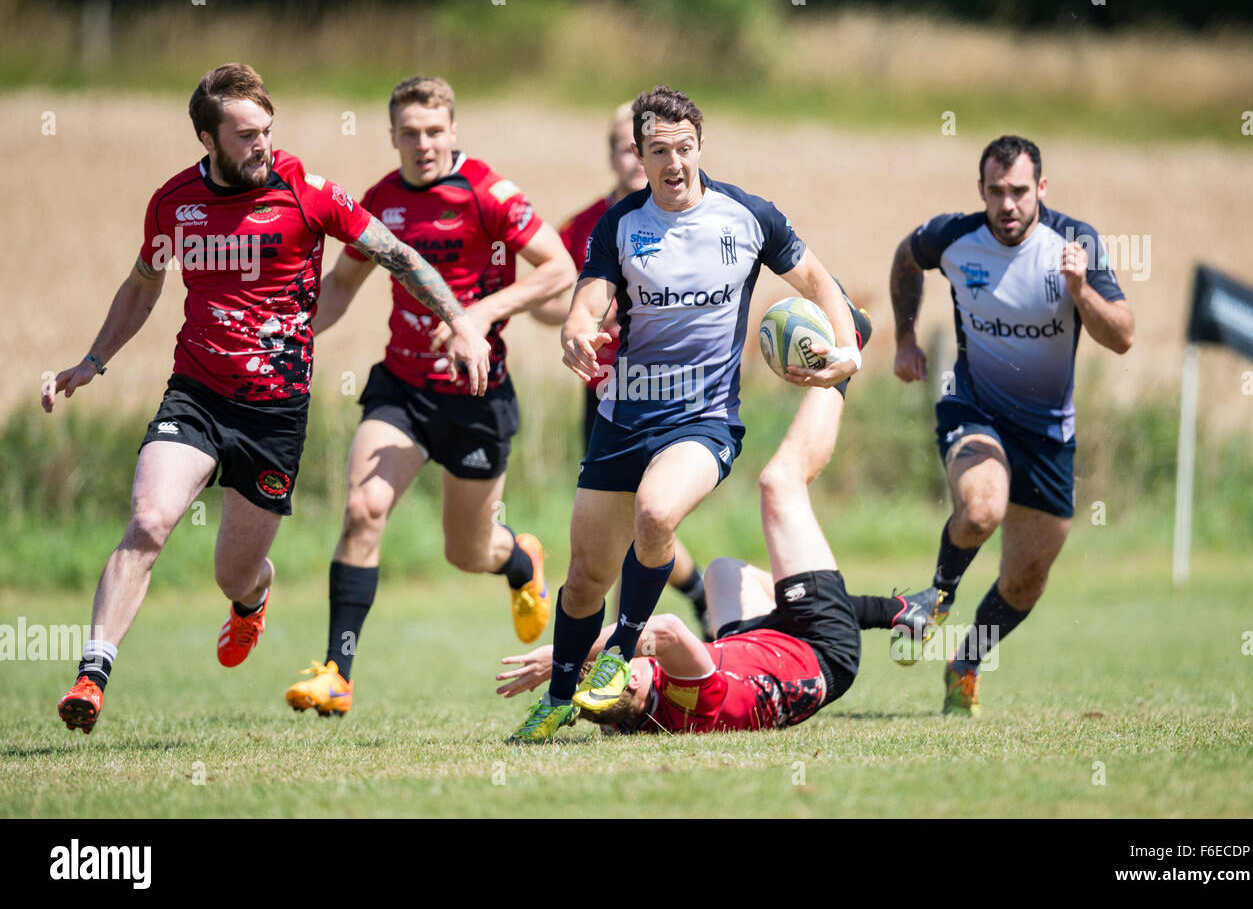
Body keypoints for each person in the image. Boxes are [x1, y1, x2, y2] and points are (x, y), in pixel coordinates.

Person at [42, 63, 490, 734]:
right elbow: (143, 284)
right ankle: (92, 673)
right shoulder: (173, 204)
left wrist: (458, 319)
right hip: (195, 393)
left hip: (275, 412)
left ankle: (252, 598)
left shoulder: (306, 191)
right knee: (150, 518)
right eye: (246, 134)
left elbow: (394, 253)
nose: (262, 145)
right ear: (208, 138)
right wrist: (93, 359)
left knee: (233, 573)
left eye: (267, 131)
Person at [508, 82, 869, 743]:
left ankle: (617, 658)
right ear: (638, 159)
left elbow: (820, 284)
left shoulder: (748, 217)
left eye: (683, 148)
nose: (673, 163)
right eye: (657, 151)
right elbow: (588, 298)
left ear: (700, 146)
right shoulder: (621, 224)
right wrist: (576, 331)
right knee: (586, 575)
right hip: (622, 418)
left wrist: (847, 351)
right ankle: (560, 699)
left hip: (702, 419)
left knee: (656, 512)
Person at [282, 76, 577, 717]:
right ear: (392, 137)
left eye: (435, 131)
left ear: (453, 131)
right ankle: (337, 673)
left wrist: (473, 318)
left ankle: (520, 561)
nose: (423, 144)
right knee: (363, 509)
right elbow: (337, 288)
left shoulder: (488, 193)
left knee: (467, 552)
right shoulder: (380, 203)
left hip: (476, 396)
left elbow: (560, 270)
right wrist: (290, 333)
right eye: (410, 133)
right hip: (403, 388)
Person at [495, 382, 940, 736]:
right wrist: (564, 657)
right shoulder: (689, 692)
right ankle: (844, 361)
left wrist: (581, 690)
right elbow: (666, 631)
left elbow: (616, 712)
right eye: (620, 669)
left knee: (724, 573)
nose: (622, 665)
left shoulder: (639, 717)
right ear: (630, 681)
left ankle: (900, 612)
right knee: (779, 482)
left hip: (750, 645)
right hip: (821, 648)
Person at [889, 135, 1135, 715]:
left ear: (1041, 190)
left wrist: (1080, 292)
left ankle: (965, 662)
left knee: (1026, 581)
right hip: (974, 407)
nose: (1007, 205)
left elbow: (1122, 335)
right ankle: (937, 597)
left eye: (1019, 192)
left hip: (1049, 432)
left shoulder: (1075, 244)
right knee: (981, 509)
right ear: (981, 191)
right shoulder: (954, 237)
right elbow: (907, 256)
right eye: (995, 192)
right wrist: (905, 335)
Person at [531, 102, 712, 640]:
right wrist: (582, 317)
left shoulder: (697, 213)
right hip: (608, 394)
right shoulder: (589, 225)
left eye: (672, 148)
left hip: (675, 393)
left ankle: (624, 645)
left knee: (647, 519)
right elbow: (545, 301)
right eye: (626, 147)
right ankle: (690, 592)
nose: (643, 159)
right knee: (619, 531)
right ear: (624, 152)